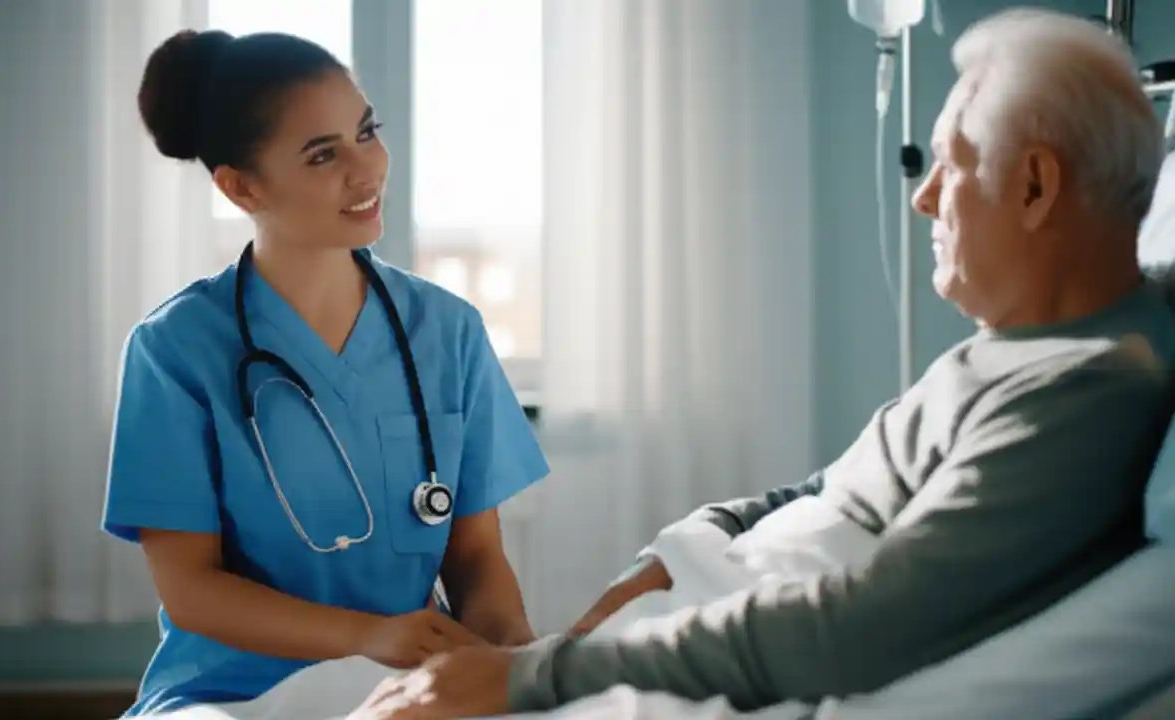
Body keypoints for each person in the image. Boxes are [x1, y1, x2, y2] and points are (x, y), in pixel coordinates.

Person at [353, 8, 1175, 718]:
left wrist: (538, 675)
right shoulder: (1008, 348)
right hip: (704, 600)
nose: (923, 197)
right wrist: (689, 546)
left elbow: (858, 627)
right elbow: (829, 489)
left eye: (952, 163)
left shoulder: (1084, 392)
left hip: (734, 655)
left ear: (1034, 187)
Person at [100, 29, 548, 716]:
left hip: (402, 684)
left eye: (367, 132)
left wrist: (505, 661)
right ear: (241, 185)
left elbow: (477, 557)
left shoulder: (448, 331)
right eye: (322, 154)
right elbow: (189, 588)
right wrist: (366, 634)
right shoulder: (175, 351)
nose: (365, 170)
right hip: (228, 694)